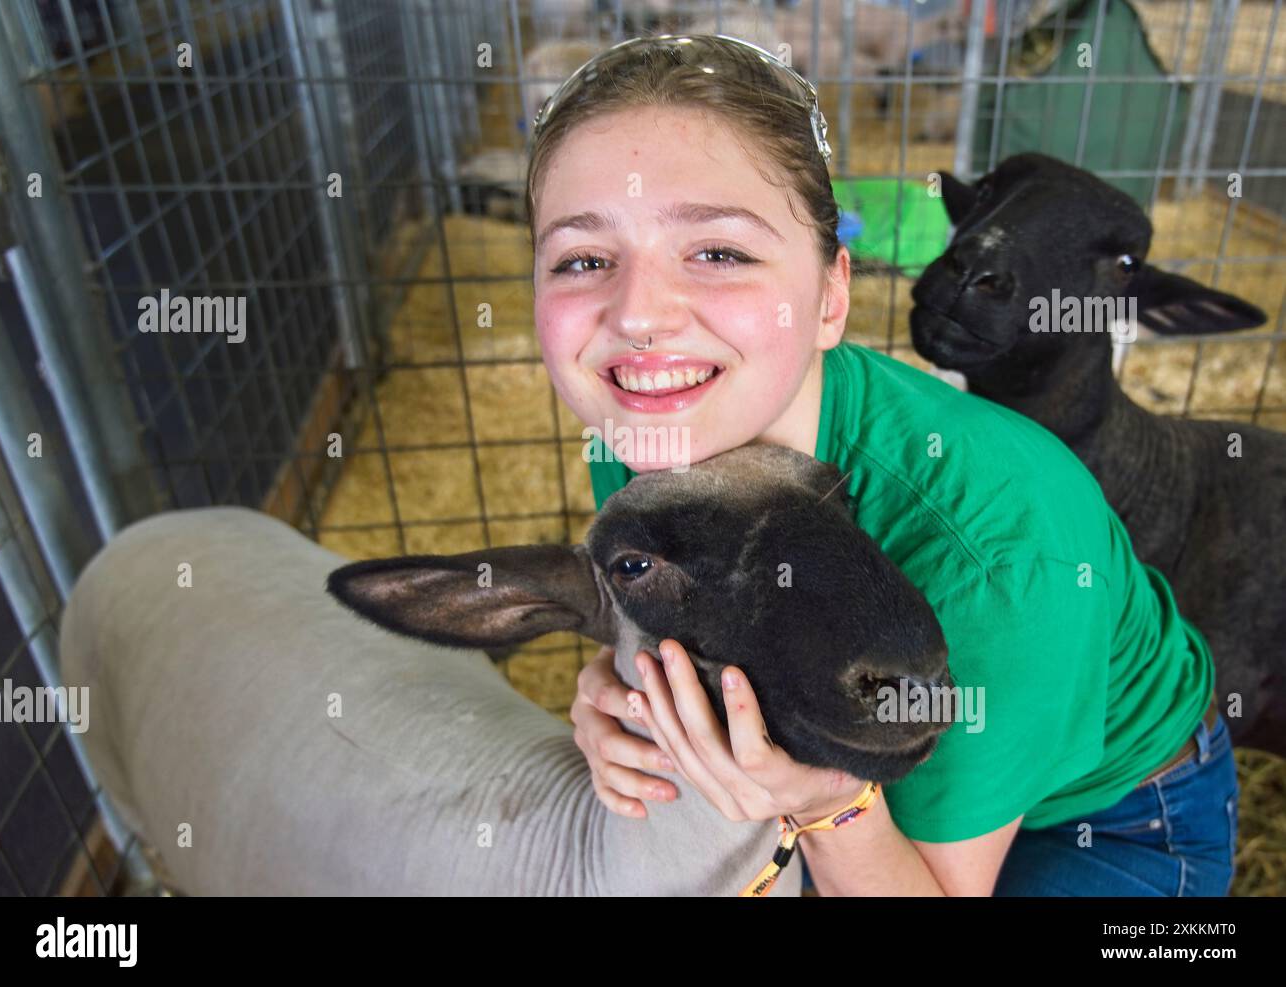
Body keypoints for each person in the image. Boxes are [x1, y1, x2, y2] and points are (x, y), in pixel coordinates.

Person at [526, 33, 1238, 896]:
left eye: (718, 252)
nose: (638, 315)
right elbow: (670, 611)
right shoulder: (650, 429)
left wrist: (827, 805)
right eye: (583, 259)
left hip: (1112, 814)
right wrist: (614, 693)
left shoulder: (998, 549)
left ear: (831, 296)